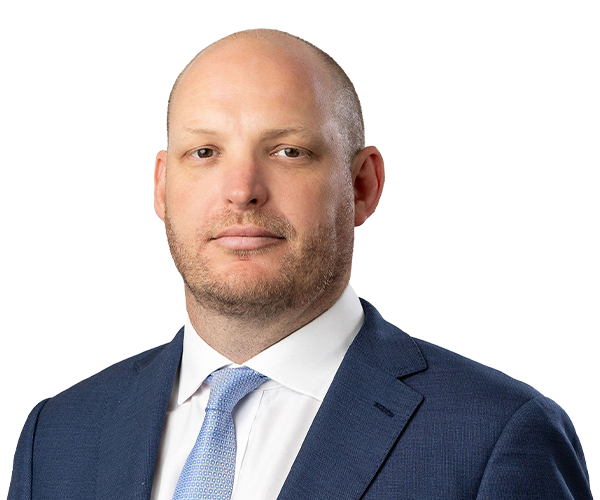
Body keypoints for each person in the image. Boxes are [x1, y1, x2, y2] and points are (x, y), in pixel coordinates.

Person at [9, 29, 592, 500]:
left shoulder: (497, 437)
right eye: (204, 152)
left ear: (362, 186)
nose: (242, 190)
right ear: (162, 188)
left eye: (289, 151)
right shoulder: (57, 435)